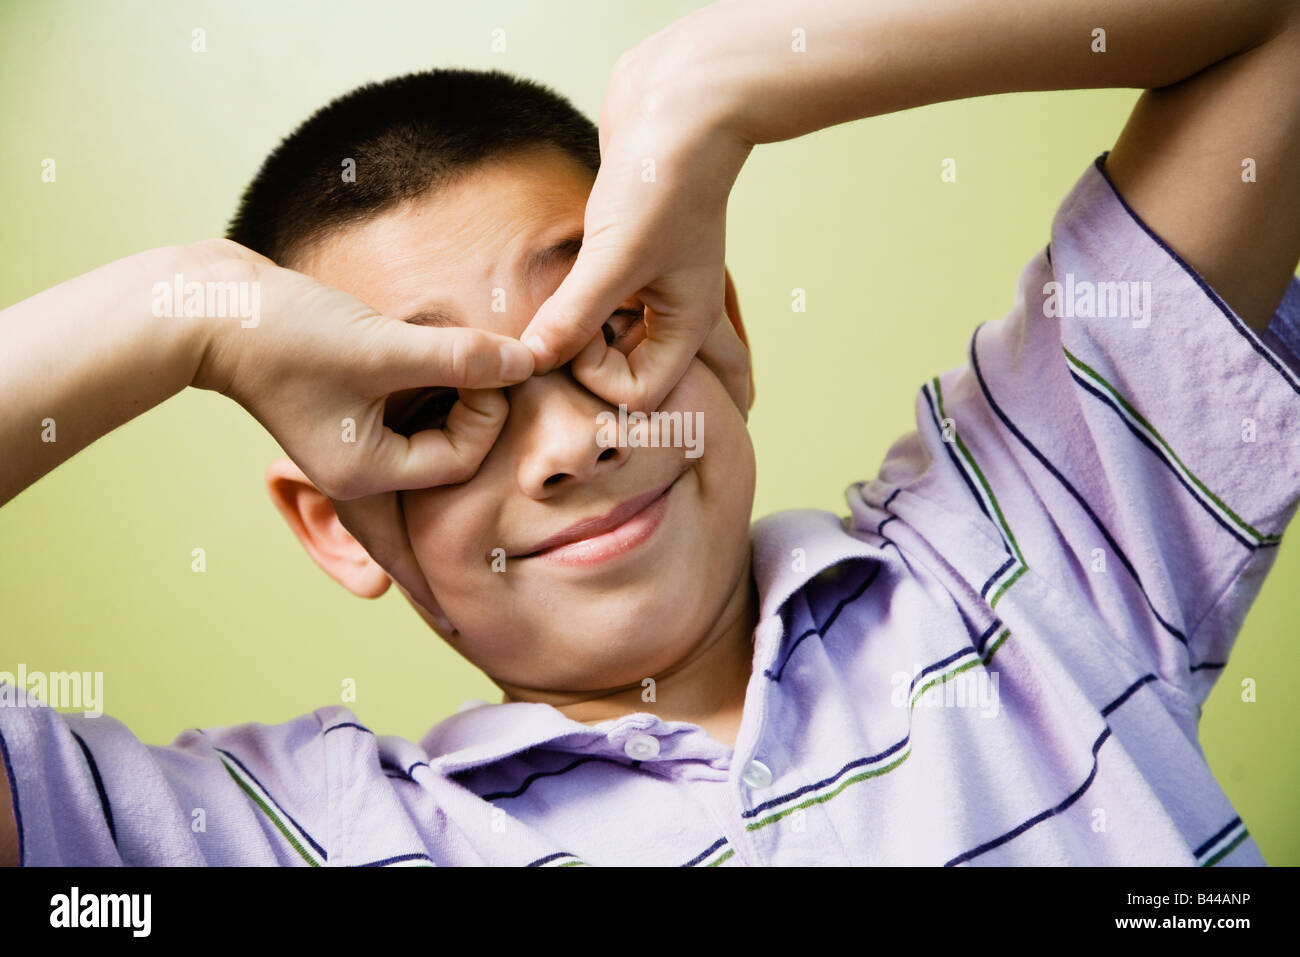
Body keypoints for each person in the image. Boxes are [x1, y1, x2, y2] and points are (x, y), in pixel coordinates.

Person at [2, 0, 1299, 866]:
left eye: (612, 319)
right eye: (427, 405)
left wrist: (723, 79)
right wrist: (186, 308)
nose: (569, 444)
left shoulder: (1025, 554)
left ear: (716, 321)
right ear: (334, 521)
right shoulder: (266, 840)